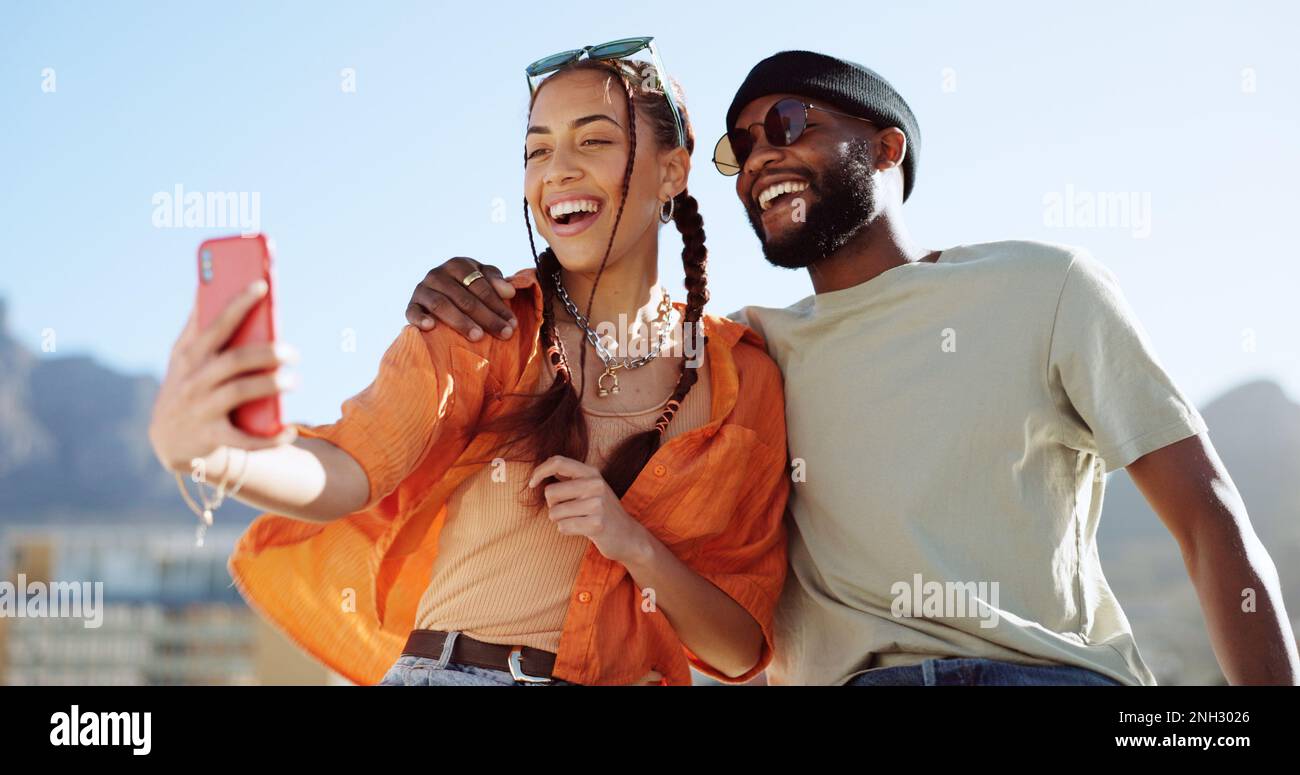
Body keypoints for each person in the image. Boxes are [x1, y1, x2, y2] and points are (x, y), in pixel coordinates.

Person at [403, 50, 1299, 686]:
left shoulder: (1045, 285)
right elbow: (599, 331)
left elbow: (1209, 519)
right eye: (741, 147)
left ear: (884, 147)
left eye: (788, 125)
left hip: (1049, 675)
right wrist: (469, 281)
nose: (759, 160)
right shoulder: (745, 355)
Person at [147, 39, 789, 686]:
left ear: (673, 171)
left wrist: (632, 542)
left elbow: (738, 648)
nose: (555, 171)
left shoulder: (743, 379)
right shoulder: (483, 325)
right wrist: (219, 453)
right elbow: (348, 468)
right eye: (536, 149)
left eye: (593, 141)